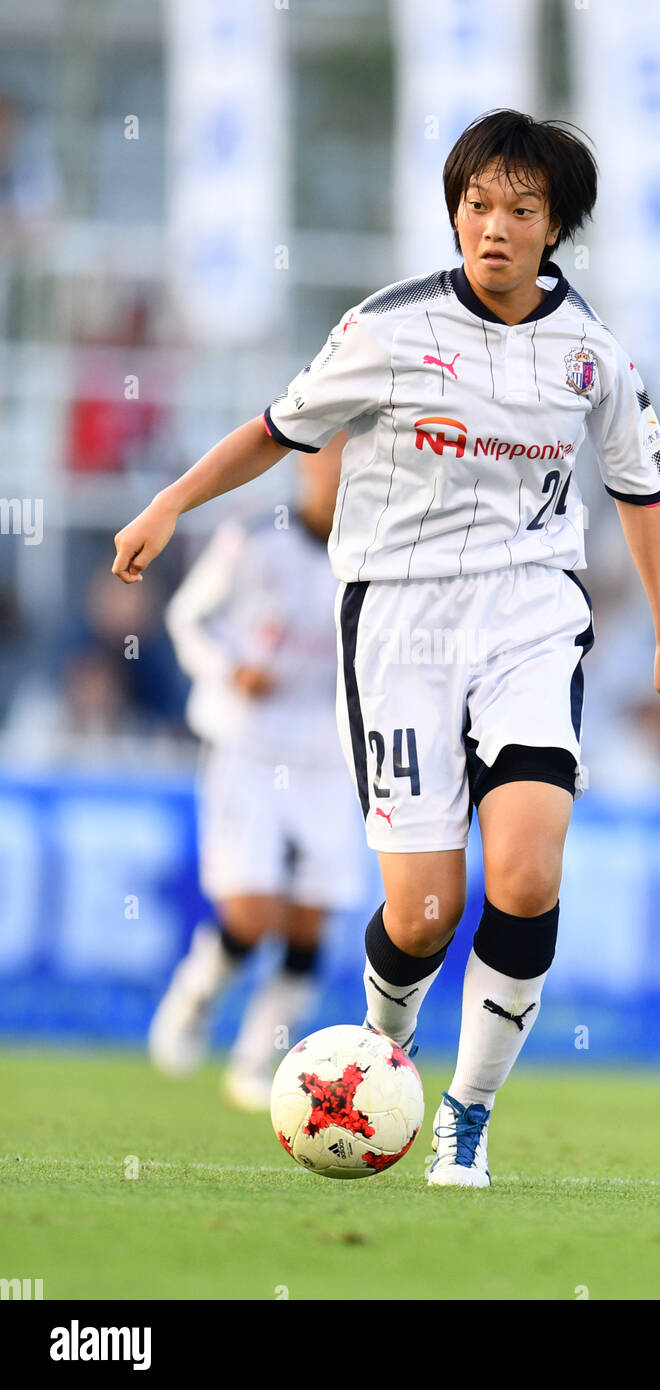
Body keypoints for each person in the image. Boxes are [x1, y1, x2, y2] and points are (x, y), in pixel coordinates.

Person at [114, 109, 660, 1185]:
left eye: (518, 211)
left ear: (553, 228)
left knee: (525, 874)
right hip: (396, 621)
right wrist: (169, 503)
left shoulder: (593, 358)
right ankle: (383, 1045)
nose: (491, 227)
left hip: (530, 614)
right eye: (476, 204)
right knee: (423, 913)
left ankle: (466, 1117)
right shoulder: (386, 328)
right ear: (454, 211)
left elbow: (642, 491)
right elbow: (274, 428)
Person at [148, 434, 365, 1111]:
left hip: (327, 756)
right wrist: (228, 669)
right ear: (308, 463)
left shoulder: (378, 558)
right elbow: (186, 617)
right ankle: (196, 994)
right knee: (254, 911)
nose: (340, 474)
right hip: (248, 746)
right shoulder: (252, 541)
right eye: (331, 457)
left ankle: (255, 1059)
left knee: (308, 921)